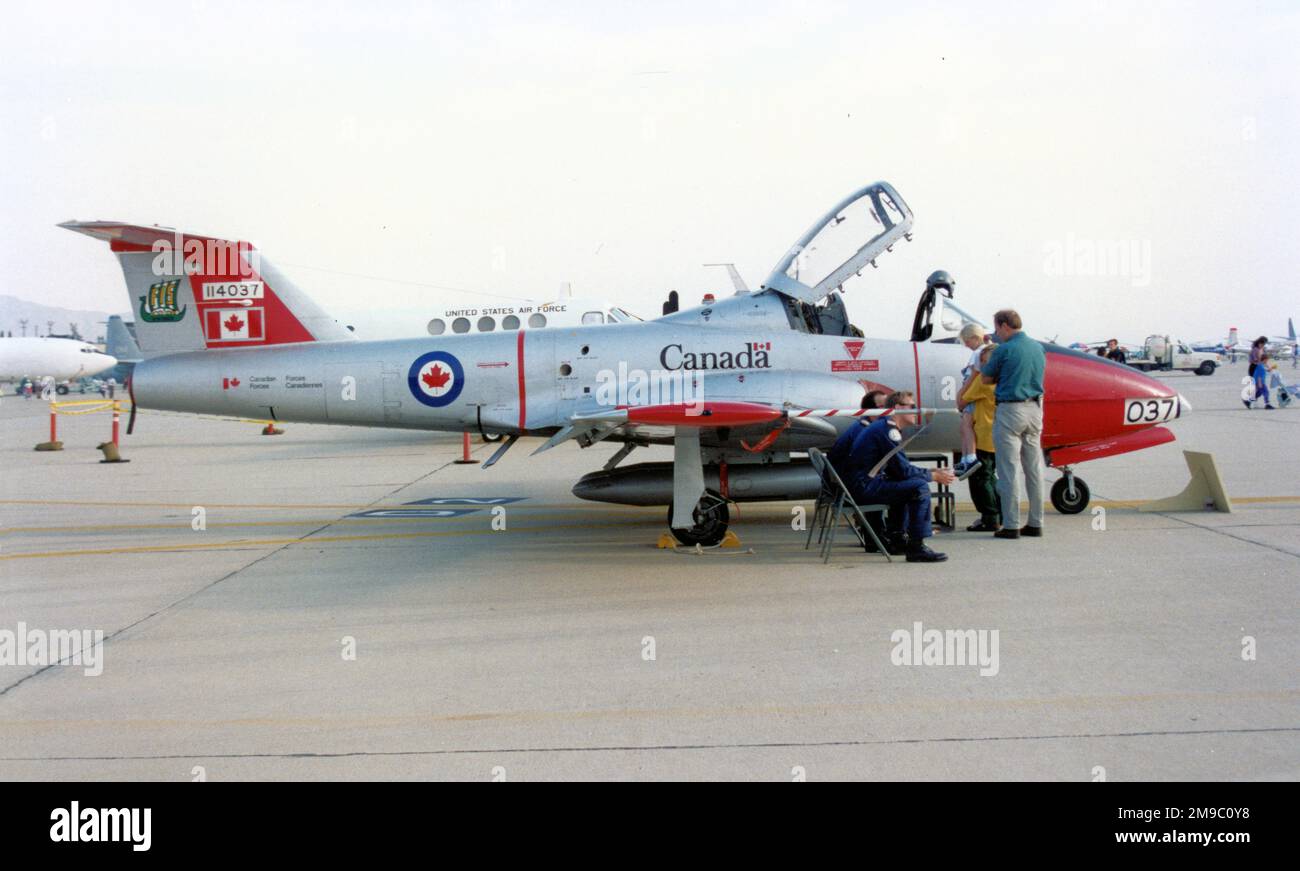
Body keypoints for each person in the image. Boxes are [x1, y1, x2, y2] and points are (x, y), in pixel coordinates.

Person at [838, 391, 956, 563]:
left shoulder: (883, 427)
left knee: (908, 484)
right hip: (864, 487)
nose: (916, 411)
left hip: (861, 484)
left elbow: (898, 470)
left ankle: (898, 539)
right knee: (919, 488)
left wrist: (931, 472)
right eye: (913, 407)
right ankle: (916, 546)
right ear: (898, 408)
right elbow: (902, 470)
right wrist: (933, 476)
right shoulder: (888, 431)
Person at [981, 309, 1046, 539]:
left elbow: (986, 378)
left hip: (1010, 409)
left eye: (997, 328)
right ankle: (1036, 522)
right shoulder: (1038, 347)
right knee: (1034, 469)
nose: (996, 333)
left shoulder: (1005, 349)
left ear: (1005, 325)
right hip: (1035, 409)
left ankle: (1011, 524)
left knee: (1008, 470)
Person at [961, 344, 1002, 531]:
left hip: (983, 436)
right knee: (991, 476)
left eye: (985, 363)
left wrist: (974, 374)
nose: (984, 366)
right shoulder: (1005, 379)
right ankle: (998, 513)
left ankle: (990, 516)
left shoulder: (984, 381)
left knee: (980, 478)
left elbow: (960, 401)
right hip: (999, 435)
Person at [954, 323, 984, 477]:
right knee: (963, 428)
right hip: (971, 396)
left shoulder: (977, 354)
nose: (966, 344)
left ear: (975, 338)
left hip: (970, 397)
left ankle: (970, 457)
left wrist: (962, 395)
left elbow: (972, 376)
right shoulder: (980, 352)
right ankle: (966, 458)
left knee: (966, 427)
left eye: (967, 340)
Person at [1245, 338, 1273, 409]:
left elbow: (1263, 364)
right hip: (1255, 369)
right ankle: (1266, 404)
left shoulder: (1261, 352)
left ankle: (1249, 401)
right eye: (1262, 344)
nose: (1263, 346)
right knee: (1263, 390)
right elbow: (1255, 361)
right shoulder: (1255, 350)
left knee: (1258, 391)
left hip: (1258, 368)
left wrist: (1268, 368)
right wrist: (1259, 382)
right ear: (1259, 343)